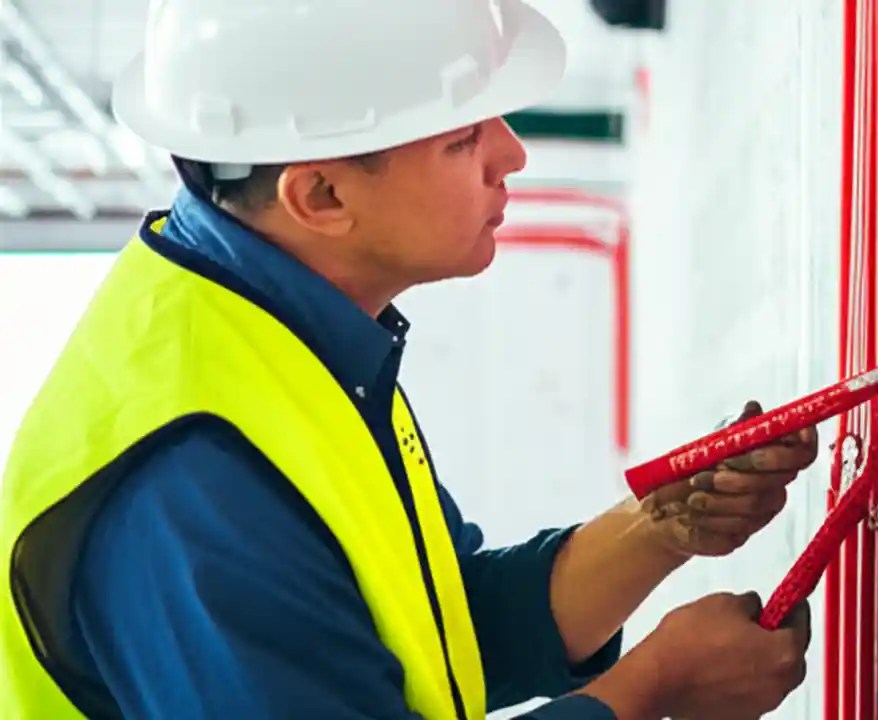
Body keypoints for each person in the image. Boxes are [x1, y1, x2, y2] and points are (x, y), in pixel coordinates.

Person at [0, 1, 819, 718]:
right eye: (464, 138)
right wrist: (650, 692)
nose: (512, 155)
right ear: (320, 196)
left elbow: (433, 631)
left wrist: (659, 526)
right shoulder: (195, 485)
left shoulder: (279, 331)